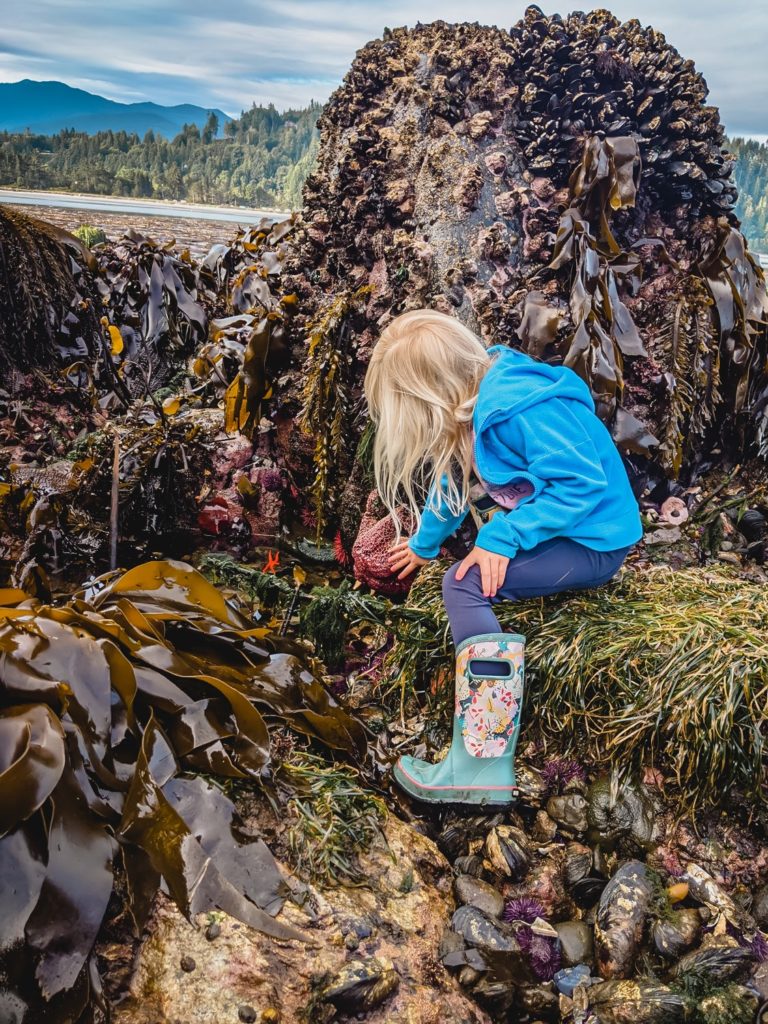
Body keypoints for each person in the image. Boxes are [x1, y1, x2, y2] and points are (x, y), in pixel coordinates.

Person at [363, 308, 642, 805]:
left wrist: (504, 536)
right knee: (461, 566)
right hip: (561, 529)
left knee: (462, 583)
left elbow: (582, 484)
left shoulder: (520, 410)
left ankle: (481, 765)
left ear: (431, 397)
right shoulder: (470, 409)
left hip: (595, 540)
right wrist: (423, 545)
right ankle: (478, 760)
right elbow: (451, 484)